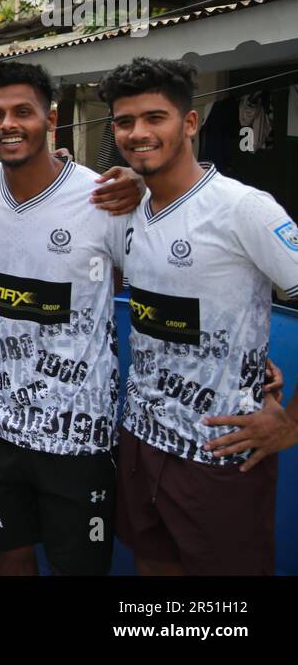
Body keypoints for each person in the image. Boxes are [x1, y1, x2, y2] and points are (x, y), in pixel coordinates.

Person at [98, 58, 298, 574]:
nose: (138, 133)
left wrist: (291, 425)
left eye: (154, 118)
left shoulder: (243, 208)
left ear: (189, 123)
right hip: (142, 439)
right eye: (125, 121)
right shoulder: (127, 209)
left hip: (220, 454)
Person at [0, 61, 129, 576]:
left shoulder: (104, 197)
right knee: (9, 555)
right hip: (2, 419)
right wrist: (5, 316)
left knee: (78, 565)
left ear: (51, 118)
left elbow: (154, 279)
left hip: (80, 430)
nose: (9, 124)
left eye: (23, 112)